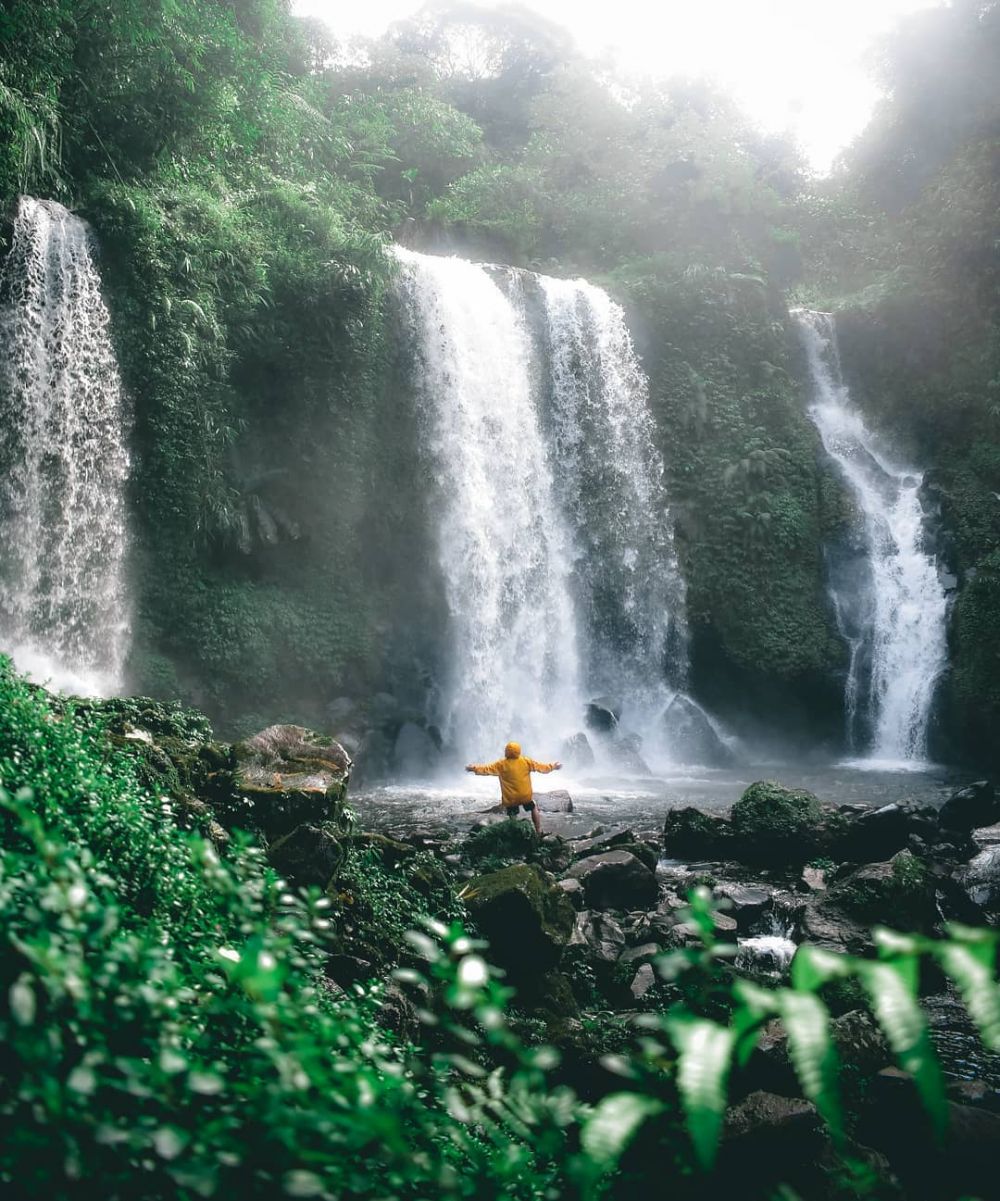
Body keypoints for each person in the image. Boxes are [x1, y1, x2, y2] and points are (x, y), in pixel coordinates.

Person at [465, 741, 562, 835]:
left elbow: (486, 769)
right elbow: (541, 767)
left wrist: (473, 768)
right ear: (519, 751)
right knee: (533, 807)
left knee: (512, 814)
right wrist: (553, 766)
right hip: (525, 796)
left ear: (506, 752)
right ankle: (538, 830)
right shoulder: (526, 761)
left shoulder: (501, 764)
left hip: (510, 798)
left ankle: (515, 832)